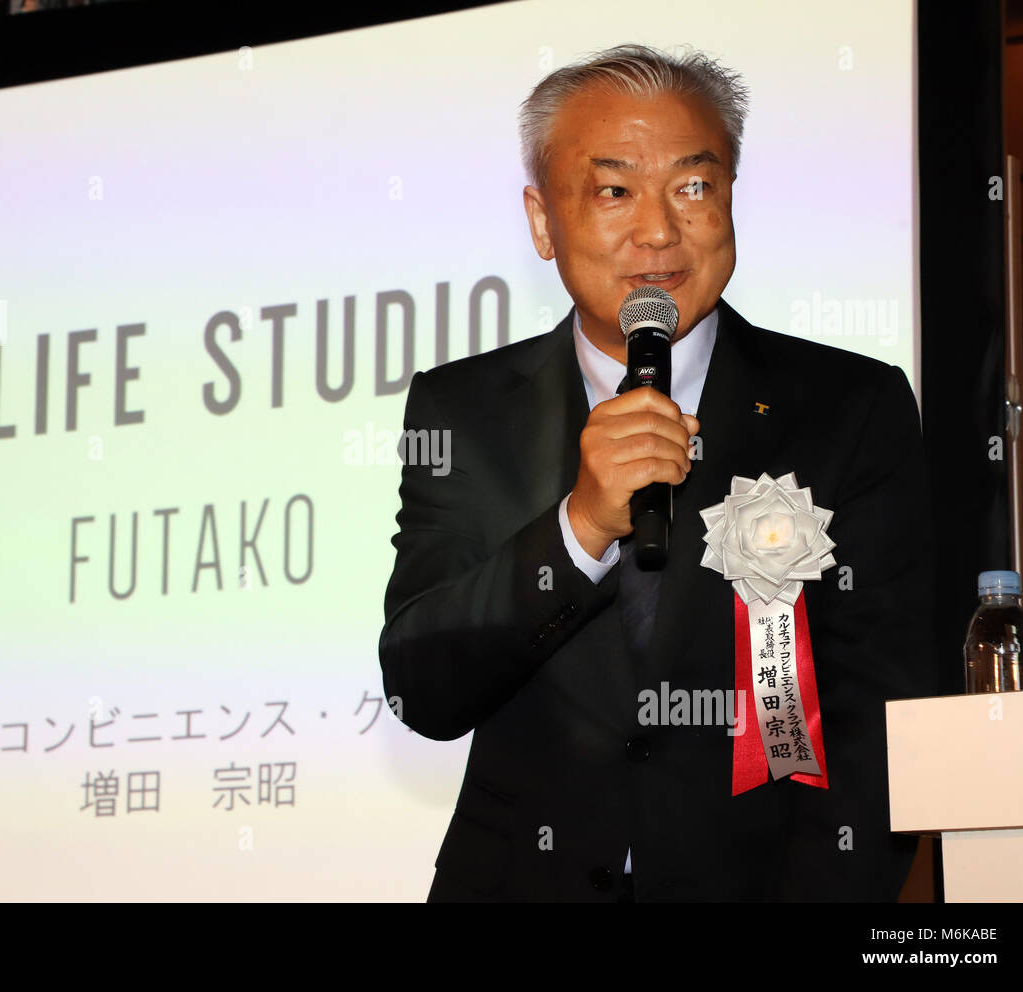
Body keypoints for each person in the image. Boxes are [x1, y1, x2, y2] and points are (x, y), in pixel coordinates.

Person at [378, 44, 936, 901]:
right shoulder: (465, 411)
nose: (659, 231)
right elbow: (425, 685)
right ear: (541, 220)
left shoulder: (850, 407)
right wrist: (580, 527)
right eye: (613, 191)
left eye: (693, 186)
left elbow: (885, 715)